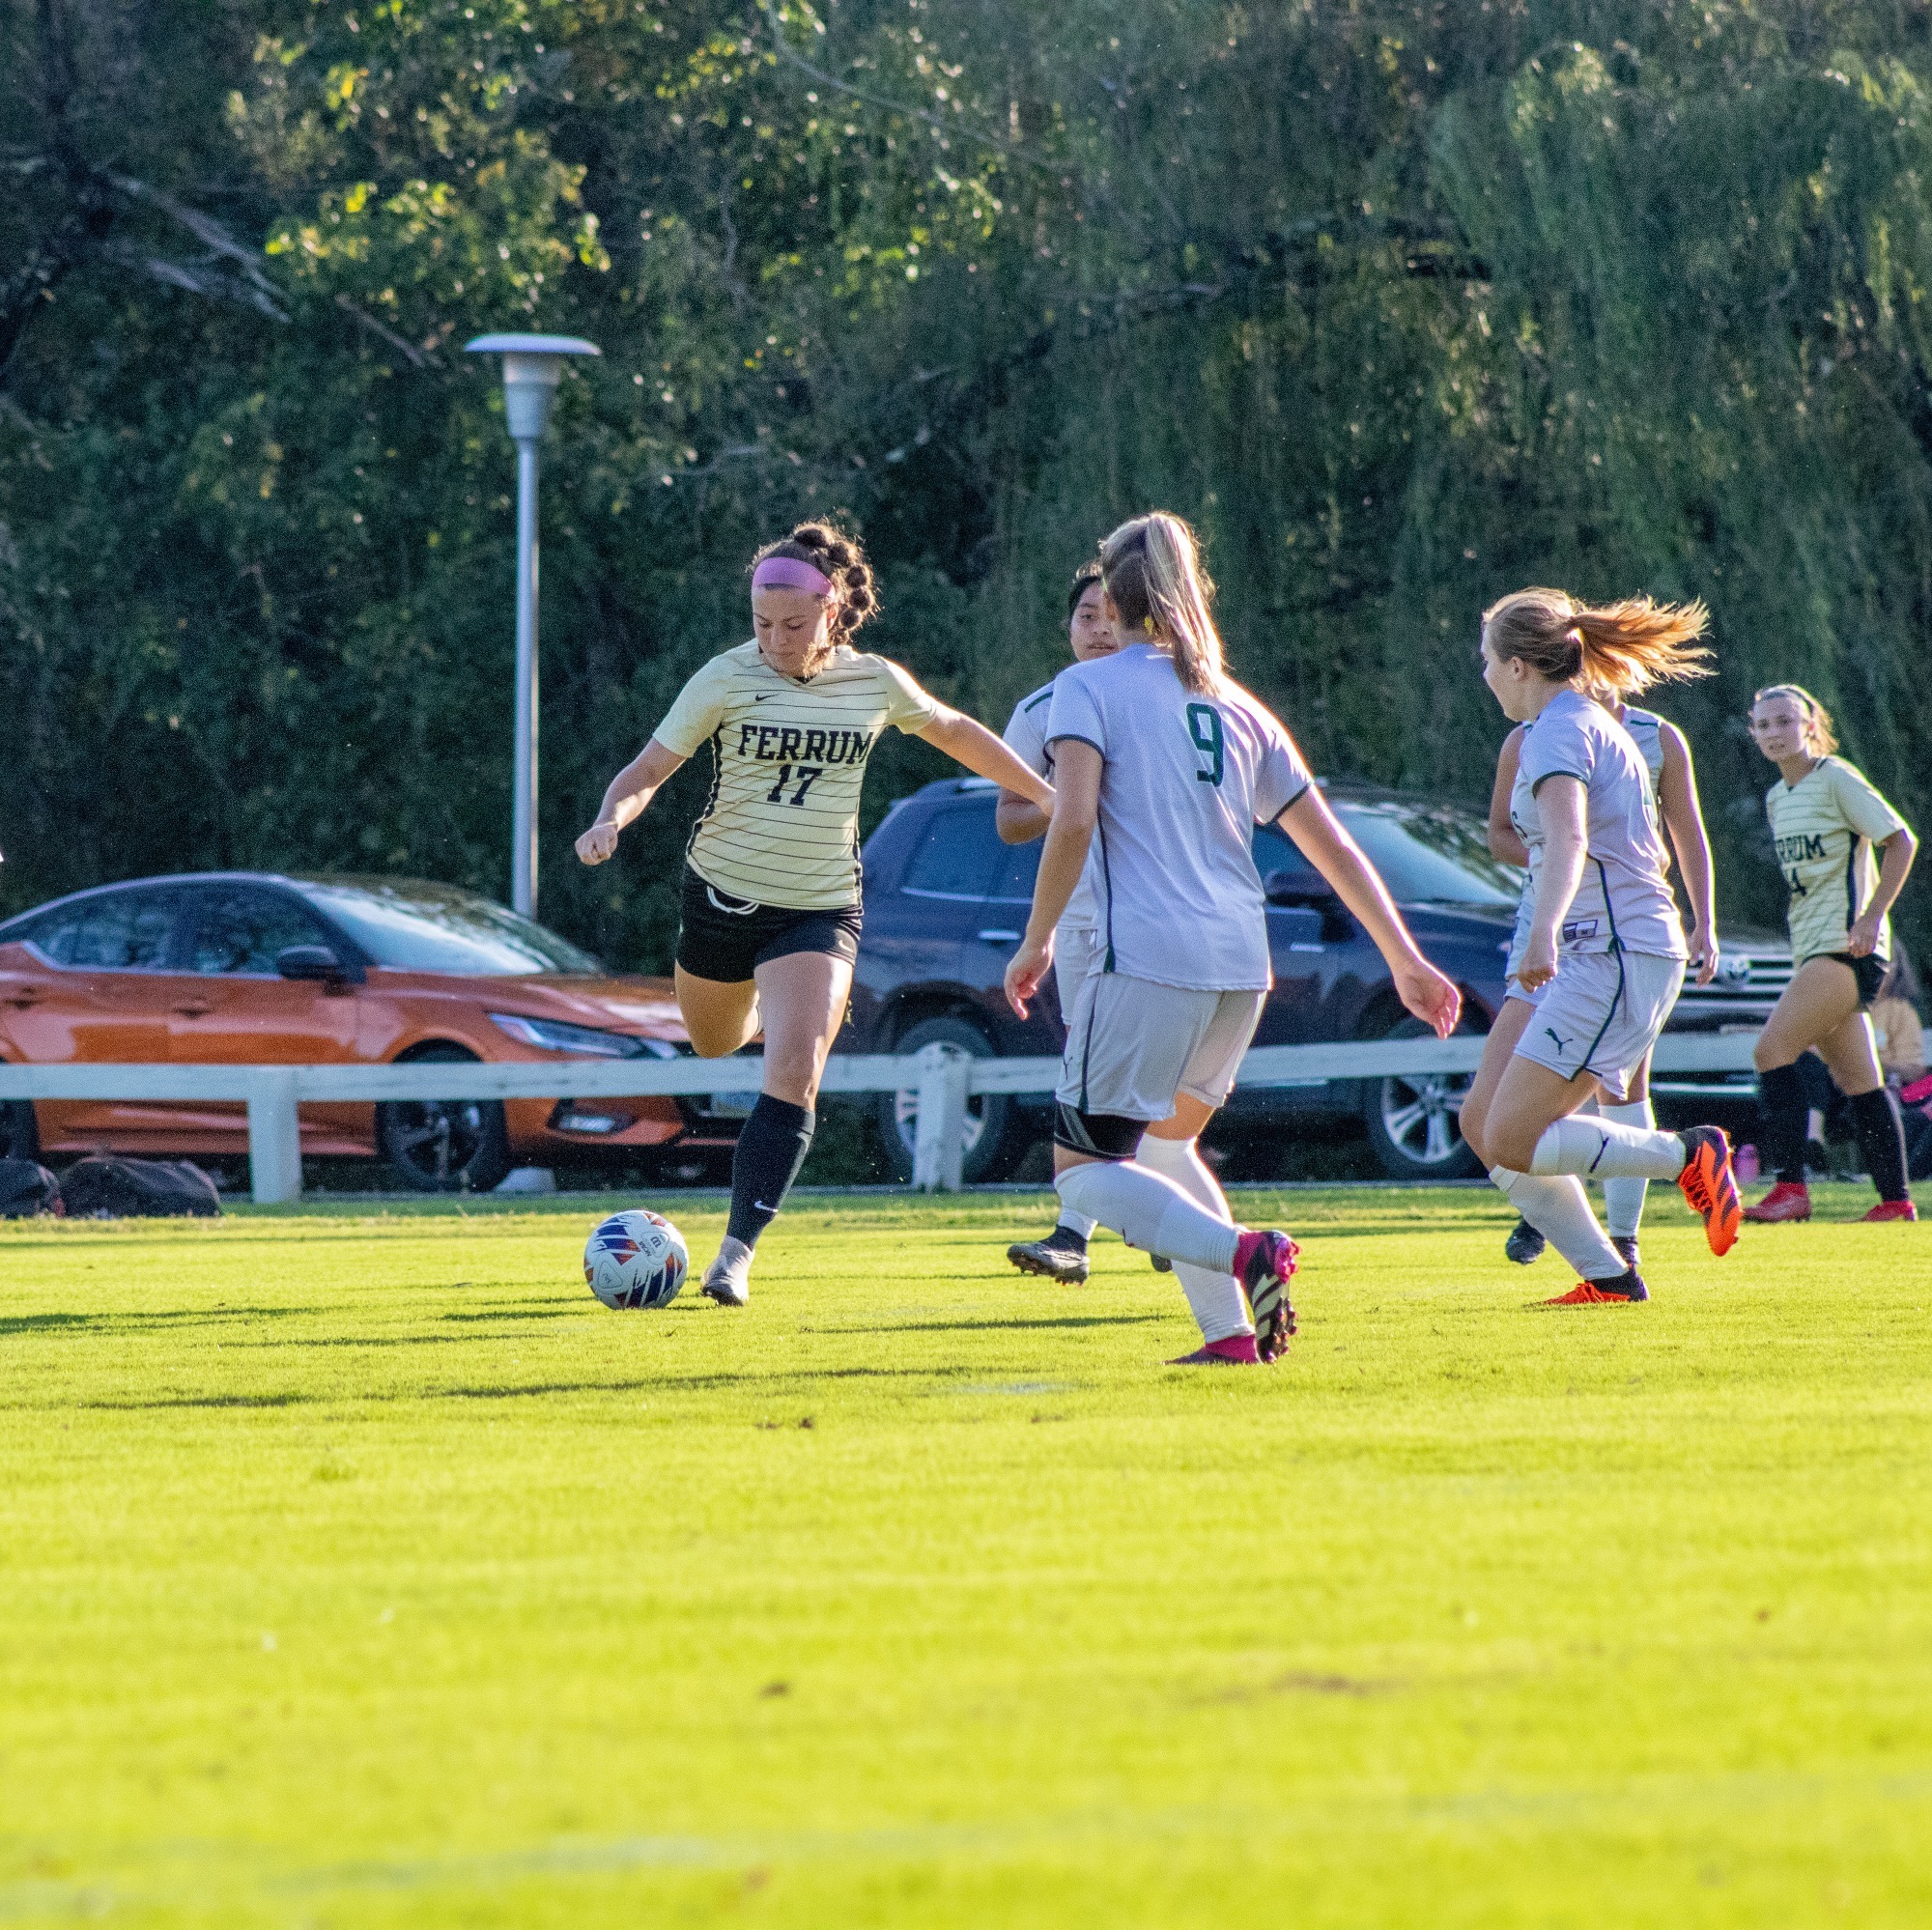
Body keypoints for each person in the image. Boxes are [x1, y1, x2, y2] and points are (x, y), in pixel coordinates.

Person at [1003, 512, 1461, 1366]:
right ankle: (1229, 1337)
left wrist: (1034, 941)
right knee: (1167, 1148)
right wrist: (1406, 959)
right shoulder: (1238, 704)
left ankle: (1248, 1252)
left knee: (1083, 1170)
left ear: (1120, 592)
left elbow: (1069, 824)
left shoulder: (1088, 689)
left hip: (1139, 957)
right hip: (1240, 965)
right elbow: (1335, 846)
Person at [576, 520, 1056, 1305]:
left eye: (793, 625)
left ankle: (734, 1255)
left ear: (833, 612)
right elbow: (648, 769)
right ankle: (768, 1002)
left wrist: (1043, 791)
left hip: (820, 904)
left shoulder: (874, 682)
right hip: (721, 897)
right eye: (762, 624)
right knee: (712, 1041)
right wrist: (610, 820)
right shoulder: (724, 678)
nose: (776, 639)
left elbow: (957, 732)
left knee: (796, 1070)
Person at [1456, 588, 1741, 1305]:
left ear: (1520, 666)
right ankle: (1609, 1278)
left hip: (1610, 951)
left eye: (1486, 660)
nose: (1482, 675)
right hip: (1592, 949)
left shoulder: (1559, 730)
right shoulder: (1574, 721)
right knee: (1480, 1122)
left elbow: (1572, 839)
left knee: (1515, 1138)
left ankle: (1688, 1154)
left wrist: (1545, 930)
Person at [1485, 694, 1719, 1268]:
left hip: (1612, 937)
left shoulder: (1652, 736)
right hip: (1550, 931)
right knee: (1501, 1118)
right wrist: (1557, 862)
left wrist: (1705, 921)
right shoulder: (1527, 737)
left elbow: (1684, 832)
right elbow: (1505, 836)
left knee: (1615, 1091)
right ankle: (1567, 1222)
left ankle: (1620, 1245)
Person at [1739, 685, 1918, 1224]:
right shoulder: (1777, 799)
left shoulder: (1835, 777)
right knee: (1861, 1080)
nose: (1773, 733)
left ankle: (1790, 1188)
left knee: (1771, 1051)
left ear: (1811, 725)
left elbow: (1901, 840)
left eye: (1785, 721)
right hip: (1813, 948)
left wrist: (1870, 917)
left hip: (1846, 948)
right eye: (1763, 724)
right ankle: (1896, 1201)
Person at [998, 561, 1123, 1285]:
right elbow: (1009, 819)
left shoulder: (1166, 696)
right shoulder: (1043, 708)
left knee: (1149, 1088)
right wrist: (1062, 795)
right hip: (1079, 923)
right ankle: (1078, 1231)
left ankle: (1176, 1218)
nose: (1099, 627)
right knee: (1089, 1071)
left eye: (1112, 613)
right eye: (1085, 614)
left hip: (1159, 913)